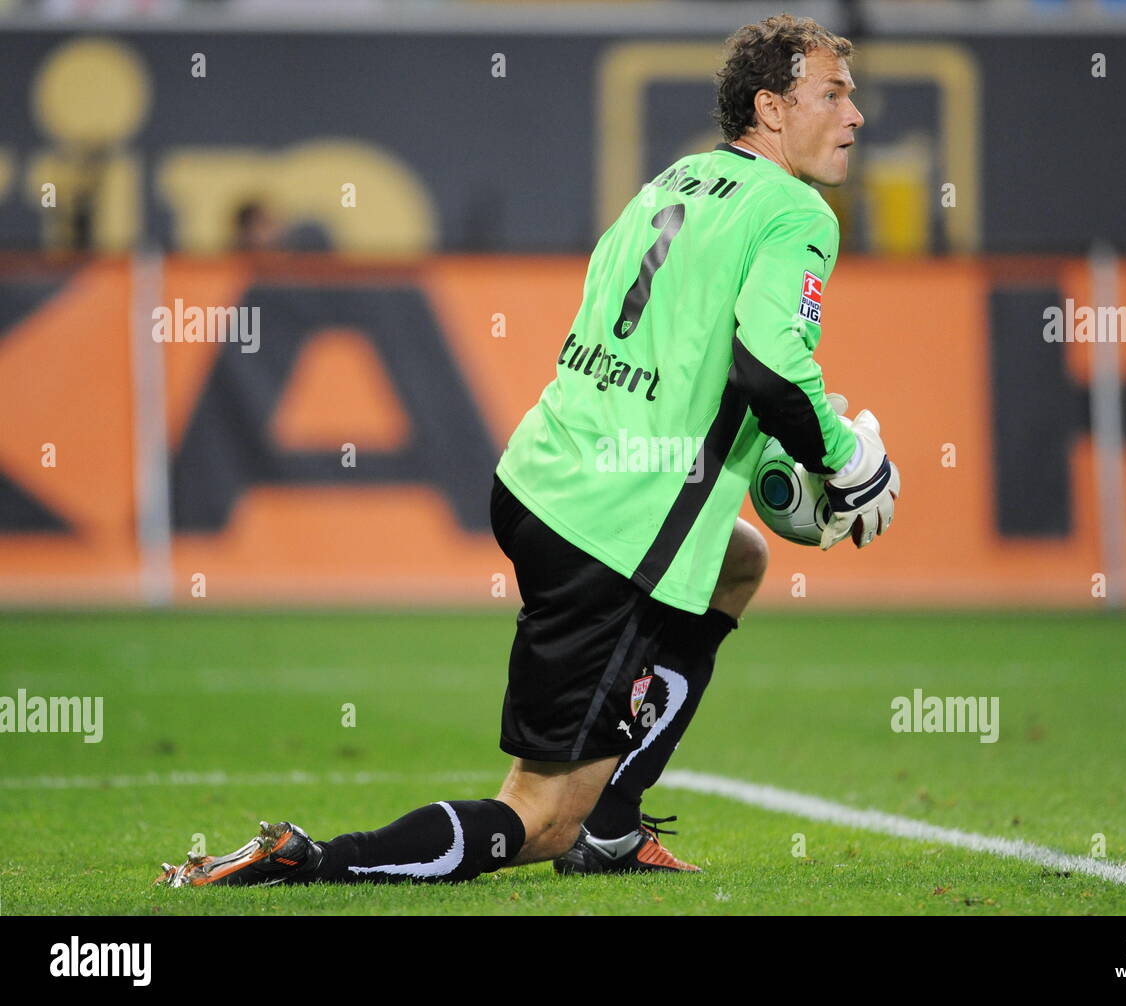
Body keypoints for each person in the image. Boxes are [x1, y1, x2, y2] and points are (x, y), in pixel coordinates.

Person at [154, 13, 899, 889]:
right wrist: (850, 464)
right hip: (609, 527)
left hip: (541, 477)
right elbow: (771, 369)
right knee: (539, 816)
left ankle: (615, 831)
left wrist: (779, 452)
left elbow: (691, 355)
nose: (855, 115)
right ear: (772, 110)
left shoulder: (673, 181)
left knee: (738, 558)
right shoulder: (796, 210)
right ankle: (309, 861)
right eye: (834, 95)